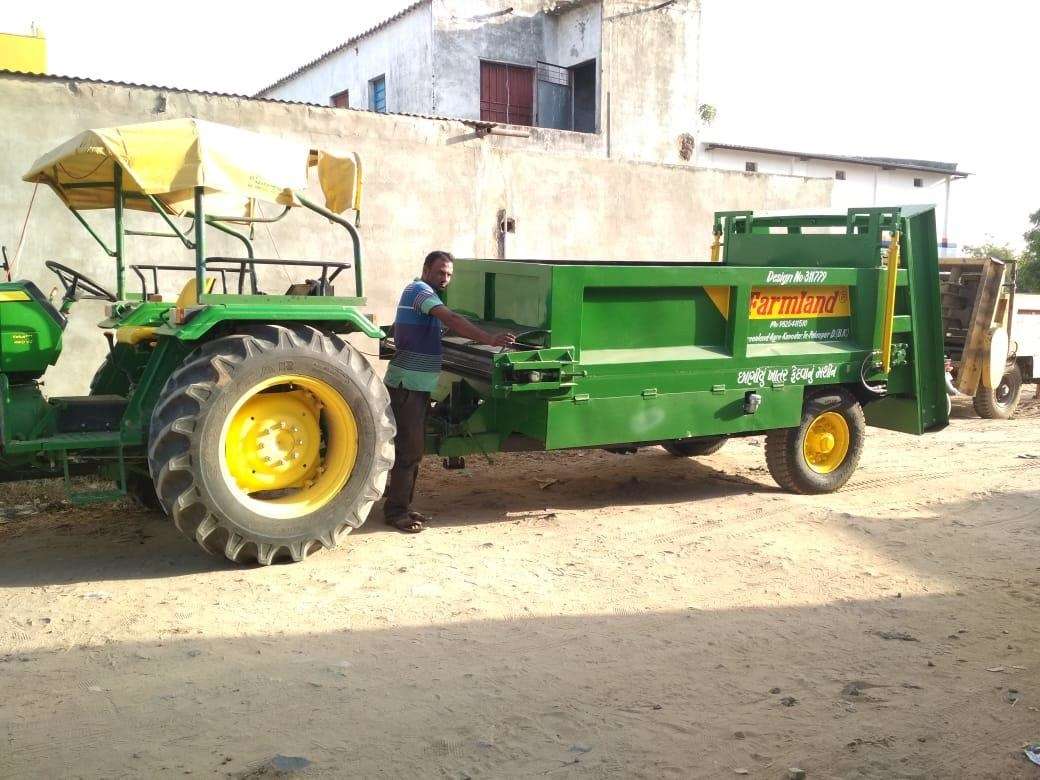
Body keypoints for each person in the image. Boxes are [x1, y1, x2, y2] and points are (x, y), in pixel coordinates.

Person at [383, 250, 515, 533]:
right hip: (409, 385)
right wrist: (489, 339)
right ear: (426, 269)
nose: (446, 278)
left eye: (449, 274)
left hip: (414, 384)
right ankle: (396, 512)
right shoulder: (420, 291)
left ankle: (400, 504)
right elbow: (452, 319)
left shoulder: (421, 293)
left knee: (407, 448)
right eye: (441, 272)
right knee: (410, 450)